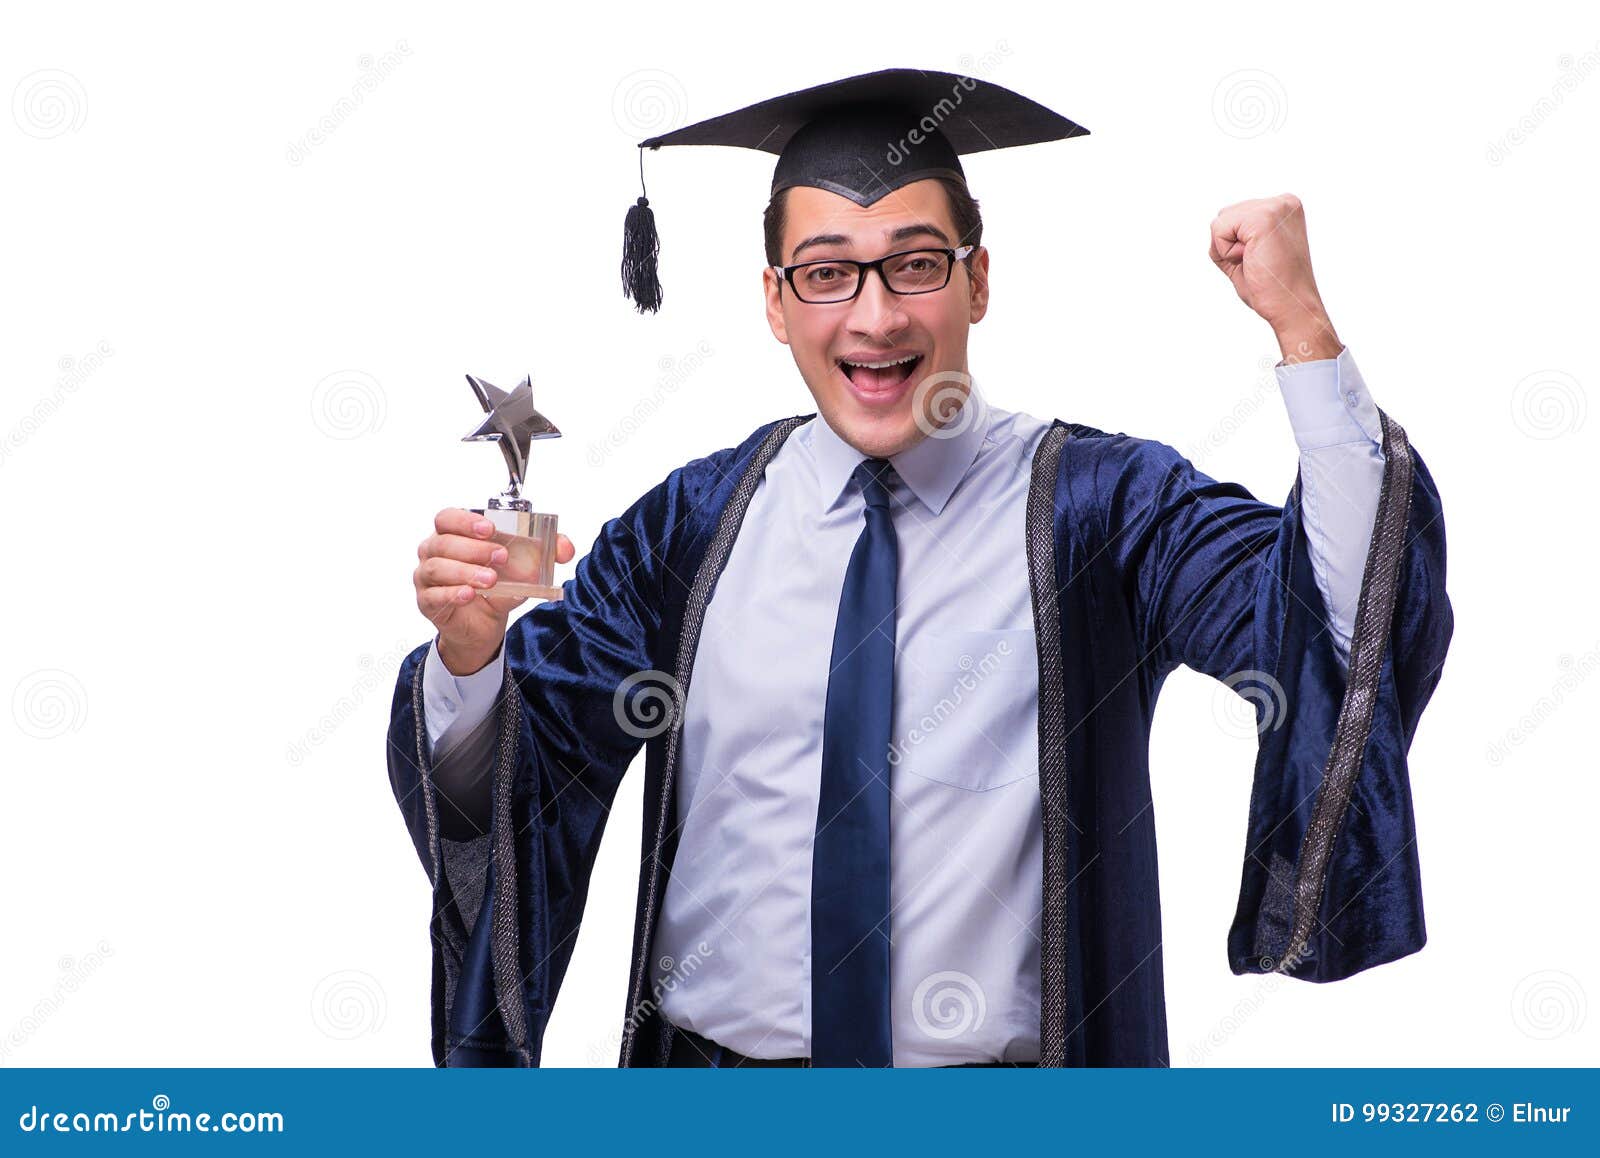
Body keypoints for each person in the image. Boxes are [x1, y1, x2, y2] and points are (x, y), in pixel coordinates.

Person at [386, 68, 1453, 1068]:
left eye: (915, 263)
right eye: (827, 273)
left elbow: (1337, 628)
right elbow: (520, 784)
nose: (875, 314)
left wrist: (1300, 329)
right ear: (774, 302)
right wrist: (472, 665)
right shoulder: (690, 529)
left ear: (977, 280)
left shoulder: (1102, 510)